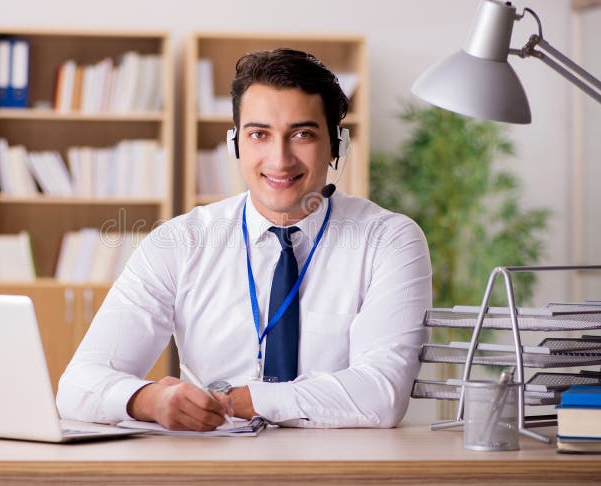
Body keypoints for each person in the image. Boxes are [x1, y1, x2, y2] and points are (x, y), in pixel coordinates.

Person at [57, 48, 431, 430]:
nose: (280, 159)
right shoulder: (178, 243)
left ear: (337, 145)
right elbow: (76, 387)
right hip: (216, 468)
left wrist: (248, 400)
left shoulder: (390, 241)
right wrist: (147, 399)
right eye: (259, 134)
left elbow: (382, 394)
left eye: (302, 134)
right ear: (235, 144)